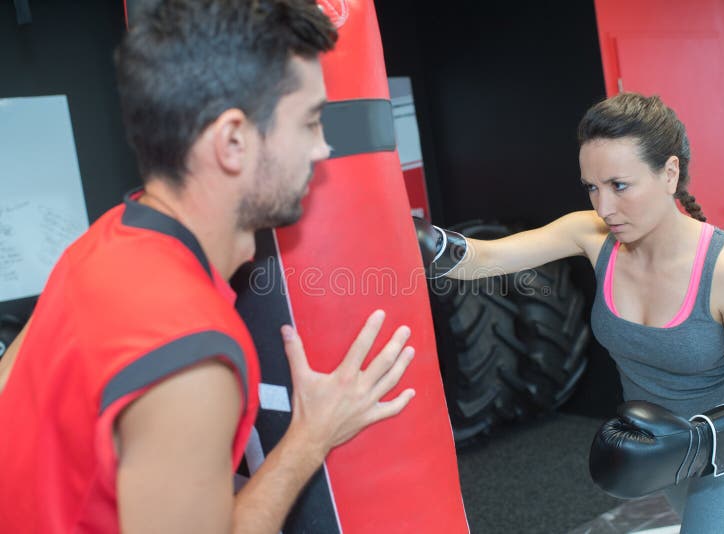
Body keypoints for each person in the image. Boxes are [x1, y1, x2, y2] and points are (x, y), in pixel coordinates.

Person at [0, 1, 417, 532]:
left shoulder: (100, 243)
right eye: (310, 122)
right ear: (233, 142)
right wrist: (311, 438)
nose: (322, 147)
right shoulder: (192, 350)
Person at [416, 92, 724, 532]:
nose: (604, 207)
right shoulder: (591, 236)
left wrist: (699, 437)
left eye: (619, 185)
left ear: (669, 173)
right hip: (658, 448)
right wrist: (419, 238)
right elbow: (487, 259)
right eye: (592, 187)